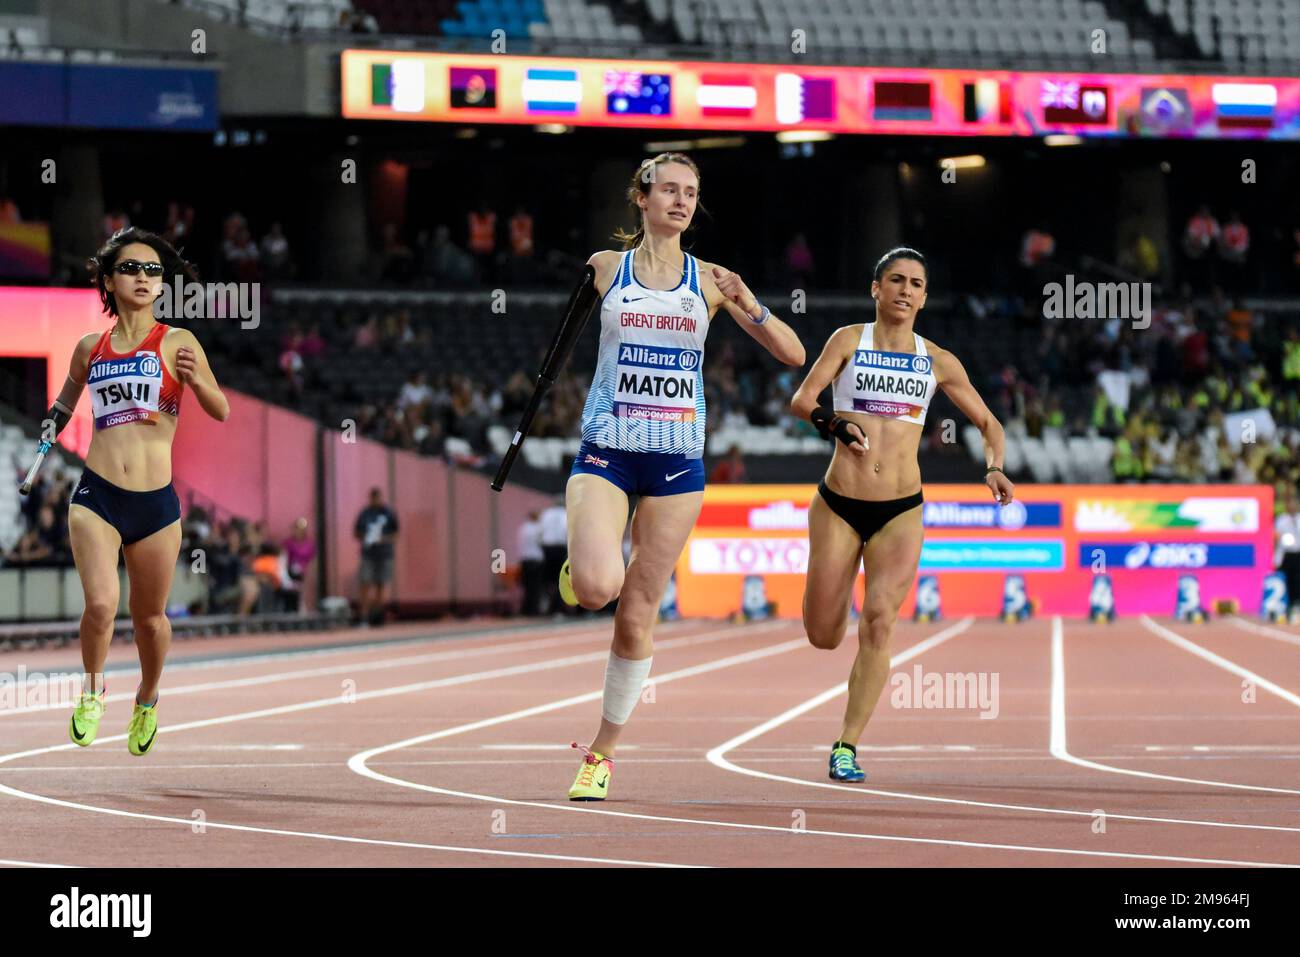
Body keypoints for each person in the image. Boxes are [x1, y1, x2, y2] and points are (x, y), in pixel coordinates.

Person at [557, 152, 805, 800]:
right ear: (640, 198)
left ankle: (602, 753)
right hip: (608, 447)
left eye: (690, 192)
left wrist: (750, 303)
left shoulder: (714, 282)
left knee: (636, 615)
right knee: (593, 588)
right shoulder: (606, 270)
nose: (680, 200)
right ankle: (582, 563)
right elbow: (558, 344)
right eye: (667, 189)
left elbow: (795, 353)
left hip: (676, 463)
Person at [789, 246, 1013, 783]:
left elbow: (989, 423)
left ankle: (846, 745)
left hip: (901, 508)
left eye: (916, 283)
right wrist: (835, 425)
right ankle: (831, 600)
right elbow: (803, 399)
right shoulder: (848, 340)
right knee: (823, 634)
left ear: (924, 296)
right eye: (896, 280)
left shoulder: (938, 360)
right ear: (876, 289)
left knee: (880, 622)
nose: (905, 290)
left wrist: (994, 467)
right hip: (840, 503)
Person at [58, 227, 229, 756]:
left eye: (153, 271)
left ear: (161, 286)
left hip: (154, 504)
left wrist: (197, 383)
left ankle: (147, 700)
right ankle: (91, 690)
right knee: (101, 606)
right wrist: (51, 425)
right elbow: (64, 405)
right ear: (109, 281)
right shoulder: (91, 347)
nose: (143, 277)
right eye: (131, 268)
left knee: (150, 620)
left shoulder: (178, 341)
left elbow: (220, 408)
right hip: (98, 496)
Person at [354, 487, 399, 626]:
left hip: (384, 554)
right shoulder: (365, 514)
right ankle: (363, 617)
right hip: (368, 554)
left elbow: (396, 534)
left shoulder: (388, 513)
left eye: (377, 497)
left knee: (381, 585)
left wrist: (382, 539)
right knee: (365, 584)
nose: (375, 500)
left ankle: (379, 617)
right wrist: (368, 538)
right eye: (373, 498)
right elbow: (356, 532)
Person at [1274, 487, 1300, 623]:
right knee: (1285, 580)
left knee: (1298, 581)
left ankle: (1297, 605)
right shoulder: (1282, 520)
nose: (1292, 506)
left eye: (1294, 503)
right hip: (1286, 554)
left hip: (1298, 554)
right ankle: (1285, 606)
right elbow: (1276, 536)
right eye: (1289, 504)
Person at [538, 497, 568, 615]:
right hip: (560, 547)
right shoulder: (566, 513)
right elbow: (567, 530)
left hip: (547, 548)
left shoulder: (546, 514)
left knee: (548, 580)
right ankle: (559, 609)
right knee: (560, 578)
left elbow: (540, 532)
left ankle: (548, 607)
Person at [516, 510, 545, 616]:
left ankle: (526, 610)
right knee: (536, 587)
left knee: (527, 587)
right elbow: (541, 542)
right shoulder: (538, 529)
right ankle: (534, 610)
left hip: (524, 560)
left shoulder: (523, 528)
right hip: (536, 560)